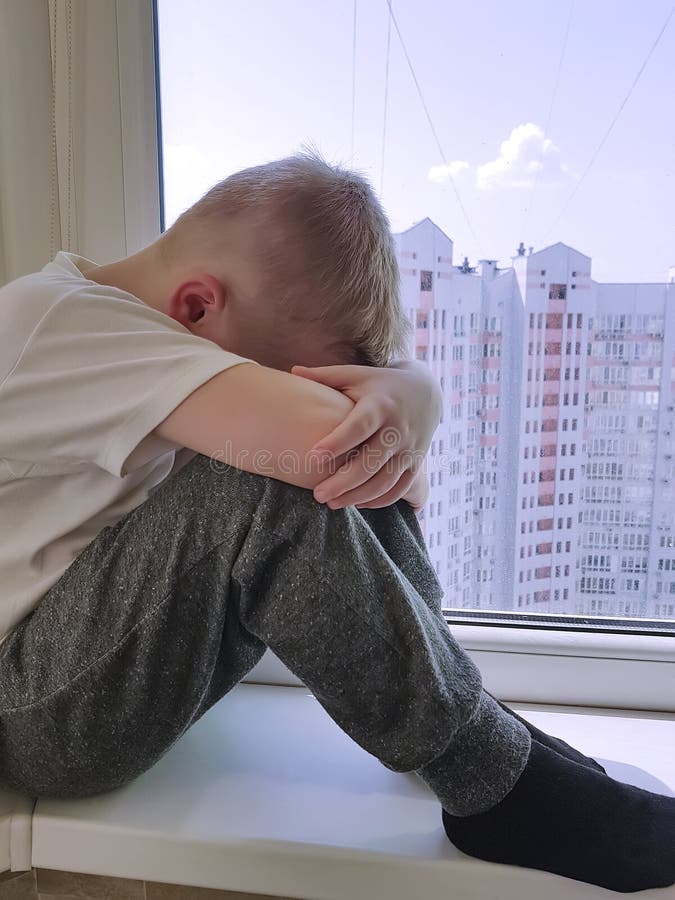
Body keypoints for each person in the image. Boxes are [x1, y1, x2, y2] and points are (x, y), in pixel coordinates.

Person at [0, 151, 672, 894]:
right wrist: (415, 396)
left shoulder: (148, 331)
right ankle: (494, 784)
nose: (274, 392)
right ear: (196, 305)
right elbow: (327, 451)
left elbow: (378, 463)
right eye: (278, 379)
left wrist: (407, 396)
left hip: (88, 671)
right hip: (30, 713)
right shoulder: (55, 321)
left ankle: (474, 733)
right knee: (295, 472)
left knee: (352, 466)